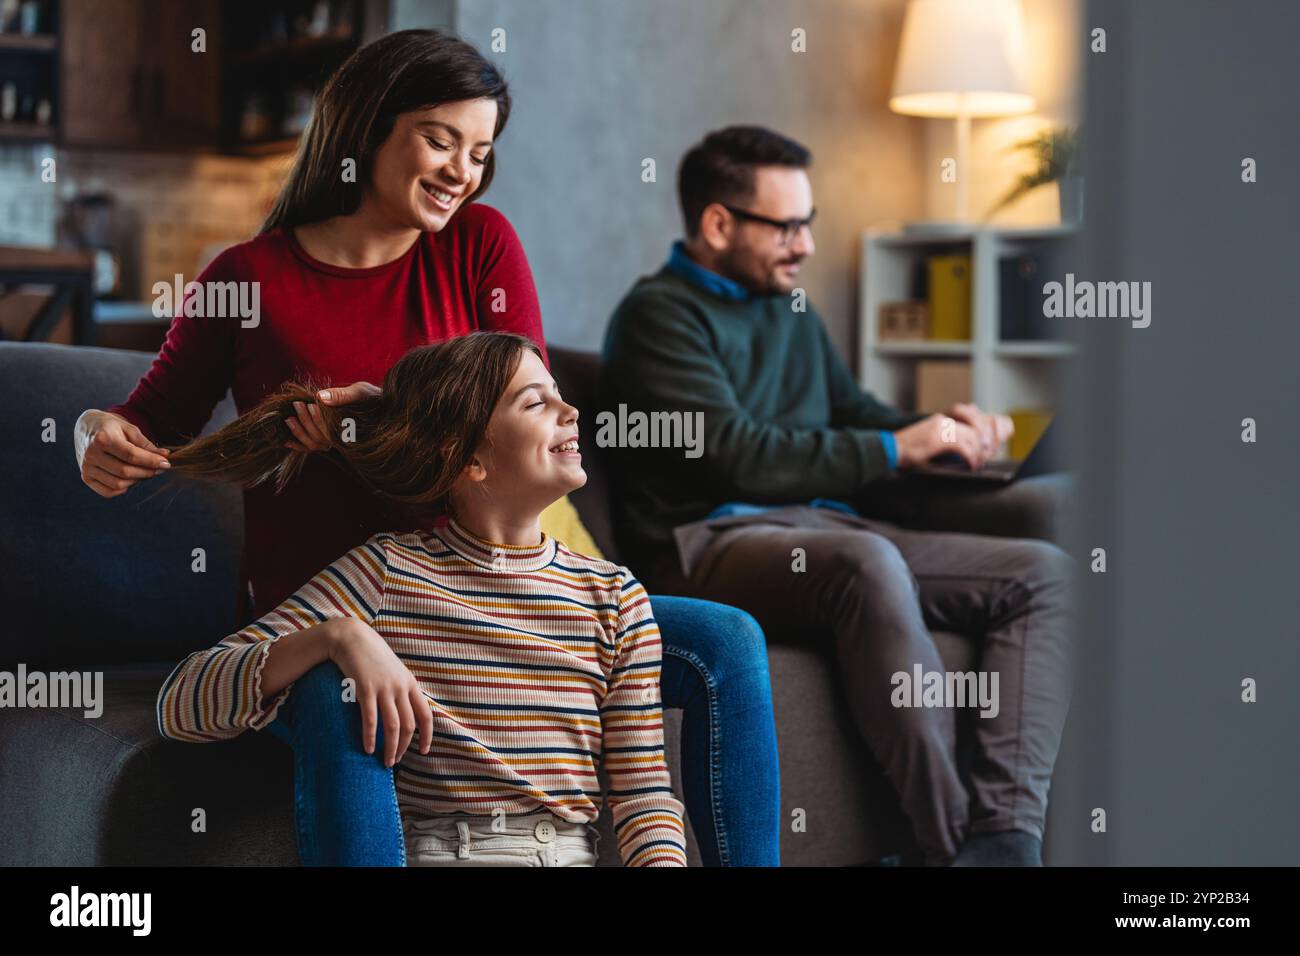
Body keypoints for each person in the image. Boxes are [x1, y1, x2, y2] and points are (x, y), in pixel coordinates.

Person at [73, 31, 778, 866]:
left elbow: (519, 420)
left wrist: (374, 425)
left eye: (480, 152)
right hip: (340, 610)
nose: (462, 172)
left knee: (725, 640)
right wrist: (90, 434)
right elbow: (145, 421)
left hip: (488, 595)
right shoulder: (247, 278)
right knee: (336, 691)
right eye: (440, 141)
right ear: (367, 127)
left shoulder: (481, 244)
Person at [600, 125, 1075, 866]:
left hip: (823, 523)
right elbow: (738, 458)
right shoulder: (658, 316)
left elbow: (853, 412)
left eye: (808, 222)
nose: (808, 245)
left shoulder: (788, 308)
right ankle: (946, 846)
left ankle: (1004, 840)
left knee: (1045, 573)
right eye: (786, 227)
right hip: (707, 542)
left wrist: (939, 428)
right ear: (718, 224)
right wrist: (894, 448)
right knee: (867, 561)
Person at [155, 331, 687, 866]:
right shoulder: (388, 573)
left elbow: (644, 796)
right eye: (535, 402)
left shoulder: (616, 597)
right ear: (467, 458)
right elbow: (181, 699)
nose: (570, 411)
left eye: (559, 394)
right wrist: (338, 636)